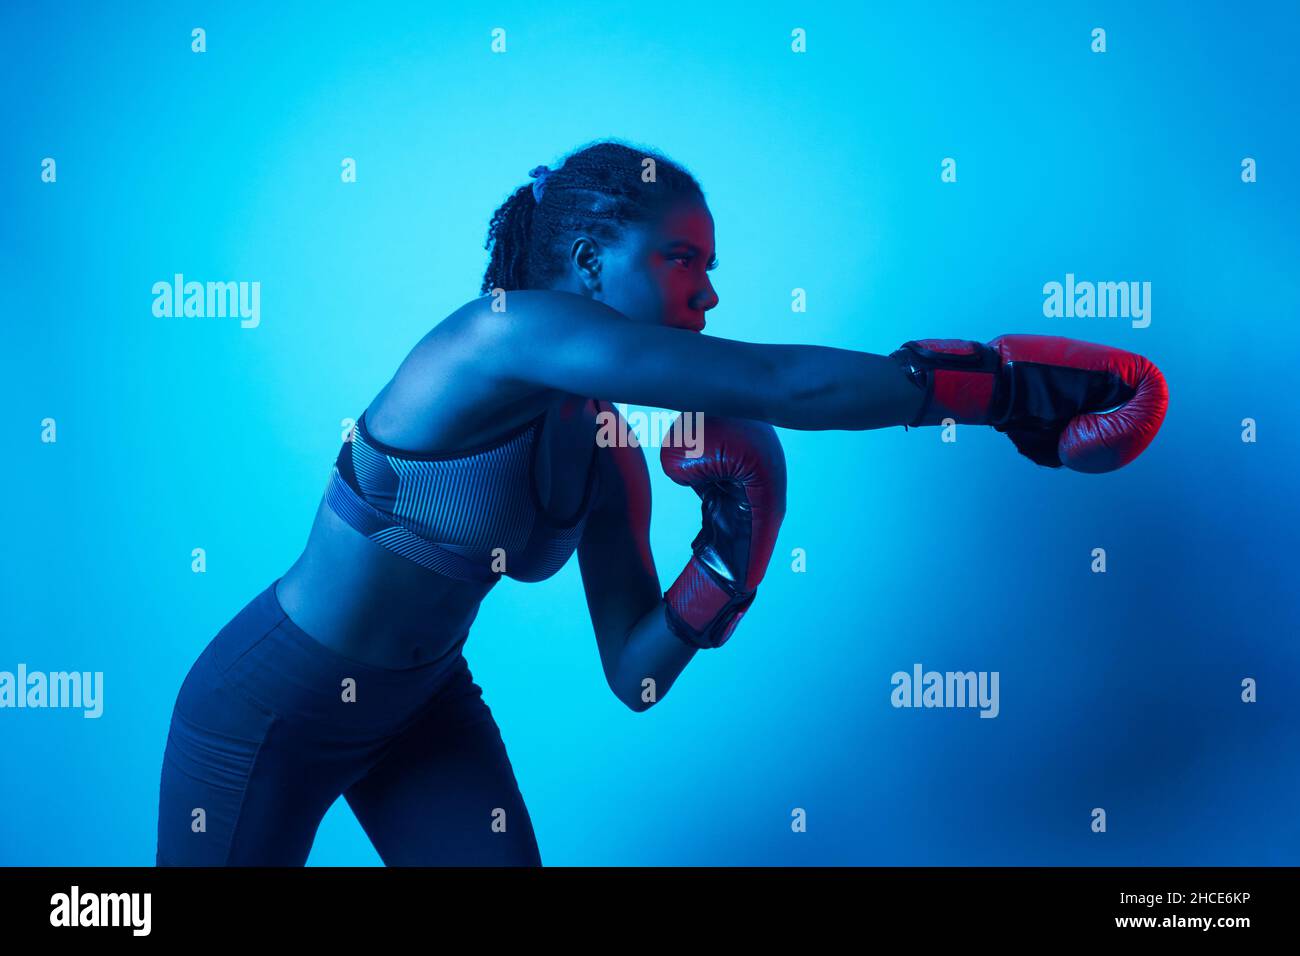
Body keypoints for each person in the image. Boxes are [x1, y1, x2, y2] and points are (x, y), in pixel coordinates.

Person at [155, 139, 1168, 866]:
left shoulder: (606, 451)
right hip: (274, 705)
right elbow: (781, 383)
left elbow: (632, 676)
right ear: (593, 261)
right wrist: (1002, 389)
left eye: (711, 268)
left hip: (421, 707)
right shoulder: (493, 337)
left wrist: (727, 556)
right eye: (683, 259)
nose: (709, 294)